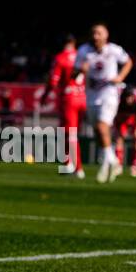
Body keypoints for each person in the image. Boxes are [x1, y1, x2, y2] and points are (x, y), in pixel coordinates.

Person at [73, 23, 132, 183]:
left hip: (109, 94)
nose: (95, 36)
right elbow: (74, 73)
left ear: (106, 35)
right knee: (98, 132)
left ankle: (110, 161)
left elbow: (128, 62)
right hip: (91, 95)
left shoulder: (114, 50)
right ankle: (111, 160)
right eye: (93, 33)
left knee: (102, 126)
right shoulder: (84, 51)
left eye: (99, 33)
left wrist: (120, 77)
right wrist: (80, 70)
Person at [39, 34, 85, 178]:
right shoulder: (81, 56)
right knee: (73, 133)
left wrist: (45, 96)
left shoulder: (60, 58)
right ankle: (72, 165)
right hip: (83, 97)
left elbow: (53, 81)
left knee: (69, 133)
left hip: (69, 98)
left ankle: (75, 166)